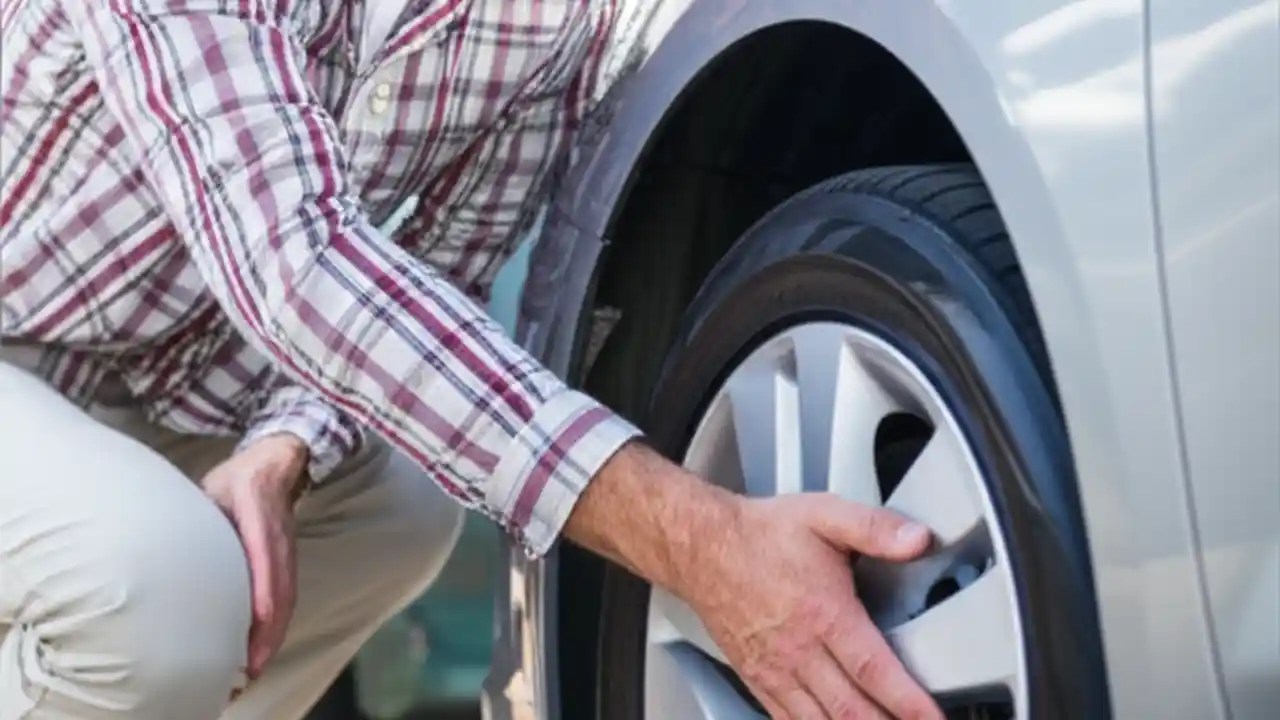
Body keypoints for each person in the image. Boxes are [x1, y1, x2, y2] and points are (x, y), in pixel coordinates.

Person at [0, 1, 944, 719]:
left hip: (140, 393)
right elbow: (294, 261)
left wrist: (287, 442)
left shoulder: (548, 19)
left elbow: (439, 263)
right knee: (151, 580)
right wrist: (704, 542)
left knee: (391, 505)